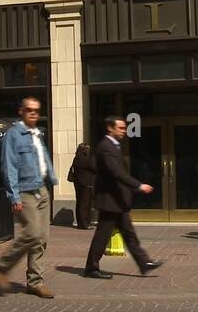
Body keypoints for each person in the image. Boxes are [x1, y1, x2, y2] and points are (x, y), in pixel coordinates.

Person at [83, 116, 166, 279]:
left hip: (117, 200)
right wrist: (138, 185)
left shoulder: (114, 146)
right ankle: (91, 268)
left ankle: (144, 263)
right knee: (103, 235)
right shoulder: (105, 147)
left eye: (124, 128)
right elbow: (116, 172)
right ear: (110, 128)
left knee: (128, 233)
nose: (124, 131)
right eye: (120, 128)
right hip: (110, 200)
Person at [0, 97, 58, 298]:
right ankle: (3, 266)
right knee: (32, 234)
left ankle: (35, 282)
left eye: (36, 111)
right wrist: (14, 196)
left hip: (42, 190)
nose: (33, 113)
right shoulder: (13, 135)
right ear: (21, 111)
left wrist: (52, 179)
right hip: (25, 191)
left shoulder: (36, 134)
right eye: (29, 110)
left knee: (42, 239)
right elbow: (9, 167)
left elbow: (42, 159)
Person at [69, 143, 96, 229]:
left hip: (78, 184)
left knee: (80, 203)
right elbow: (94, 167)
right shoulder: (85, 159)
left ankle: (81, 223)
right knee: (85, 204)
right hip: (86, 184)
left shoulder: (76, 158)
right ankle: (85, 224)